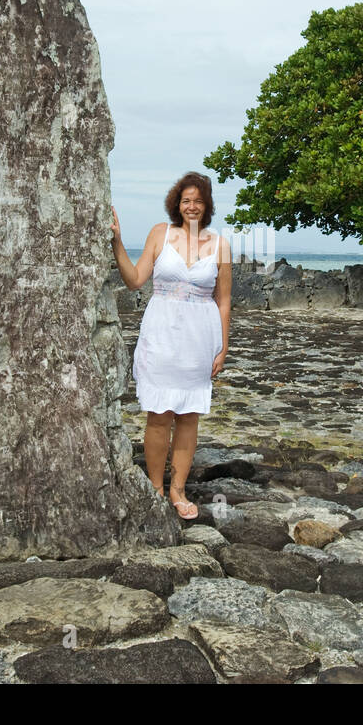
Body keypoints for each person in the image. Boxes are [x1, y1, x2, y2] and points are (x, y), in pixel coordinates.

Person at [110, 172, 231, 519]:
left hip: (199, 338)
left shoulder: (219, 245)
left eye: (198, 201)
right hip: (161, 334)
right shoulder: (160, 234)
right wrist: (118, 242)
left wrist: (222, 346)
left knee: (189, 416)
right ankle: (155, 488)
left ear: (206, 205)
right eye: (185, 200)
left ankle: (178, 490)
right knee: (159, 415)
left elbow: (223, 301)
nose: (191, 206)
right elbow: (134, 281)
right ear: (177, 204)